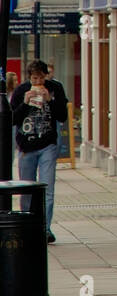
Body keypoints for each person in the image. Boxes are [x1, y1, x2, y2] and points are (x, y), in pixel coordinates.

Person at [10, 60, 68, 243]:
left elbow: (62, 116)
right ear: (29, 77)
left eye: (42, 77)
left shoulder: (55, 88)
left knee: (47, 188)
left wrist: (50, 100)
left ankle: (45, 228)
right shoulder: (21, 90)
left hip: (47, 145)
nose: (39, 82)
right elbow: (12, 118)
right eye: (35, 78)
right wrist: (26, 102)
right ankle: (28, 228)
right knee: (26, 189)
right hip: (27, 146)